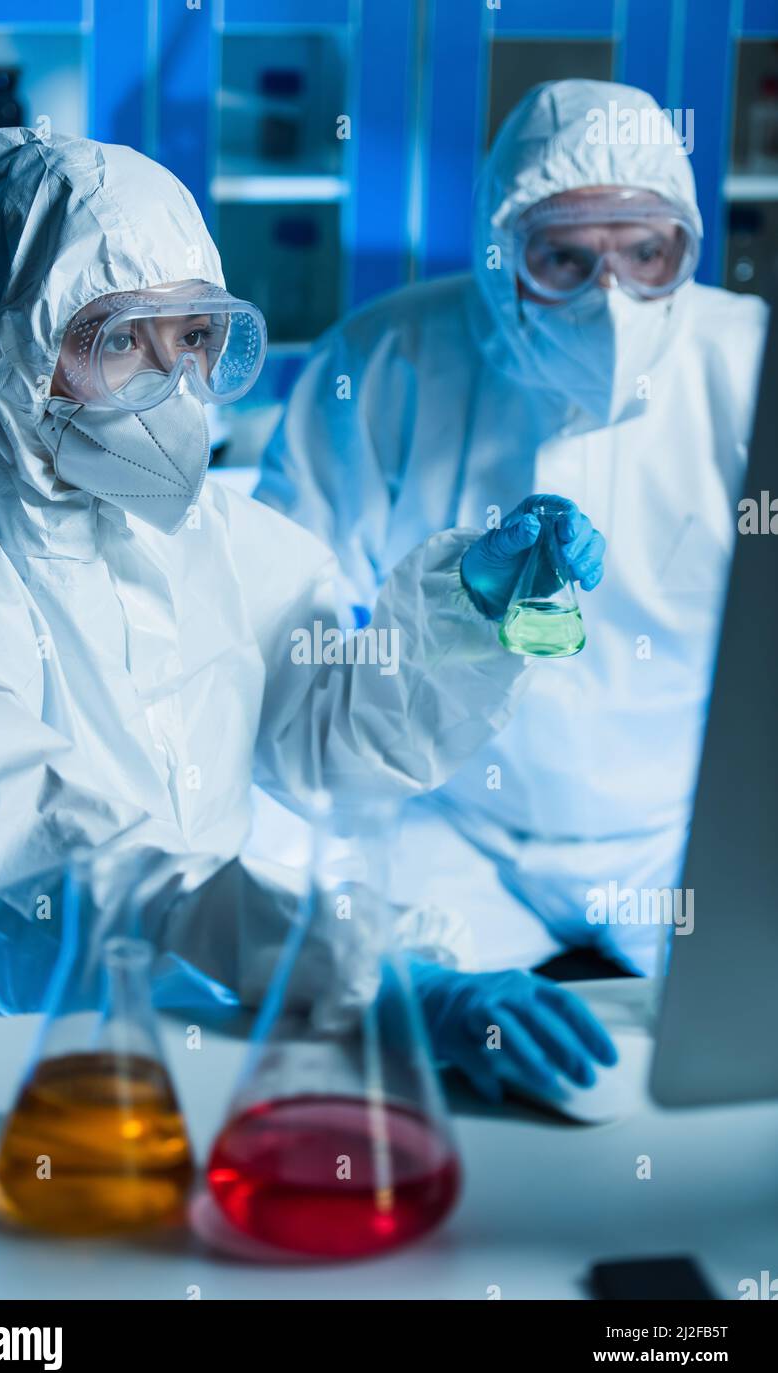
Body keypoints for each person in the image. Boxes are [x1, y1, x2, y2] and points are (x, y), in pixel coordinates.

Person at [0, 128, 616, 1101]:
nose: (177, 390)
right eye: (121, 340)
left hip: (232, 1001)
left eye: (194, 338)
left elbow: (330, 731)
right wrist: (366, 975)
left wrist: (470, 611)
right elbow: (38, 852)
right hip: (3, 1050)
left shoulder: (204, 529)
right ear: (2, 339)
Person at [257, 79, 769, 979]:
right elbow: (286, 636)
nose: (608, 298)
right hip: (447, 831)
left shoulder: (748, 363)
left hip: (680, 835)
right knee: (348, 1004)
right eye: (563, 260)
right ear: (502, 257)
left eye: (647, 252)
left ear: (686, 246)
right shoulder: (385, 361)